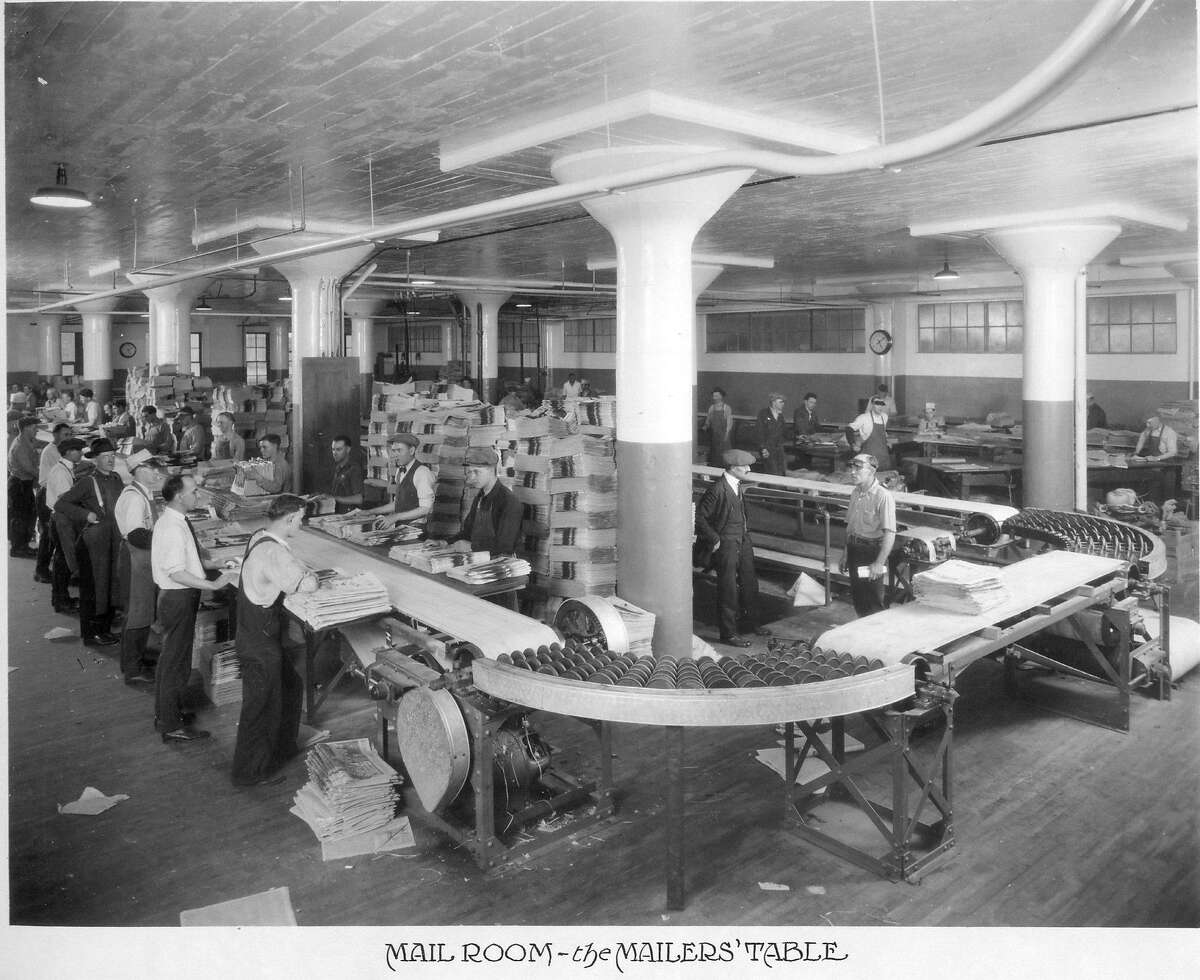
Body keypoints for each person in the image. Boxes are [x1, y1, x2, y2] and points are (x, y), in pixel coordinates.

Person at [230, 494, 320, 786]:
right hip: (260, 638)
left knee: (290, 685)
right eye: (301, 518)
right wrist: (312, 576)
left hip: (251, 630)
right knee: (262, 703)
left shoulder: (260, 536)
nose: (302, 522)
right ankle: (249, 773)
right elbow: (303, 584)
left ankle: (282, 748)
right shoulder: (275, 553)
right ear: (291, 518)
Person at [151, 474, 236, 743]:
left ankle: (167, 714)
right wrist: (212, 585)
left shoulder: (176, 520)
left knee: (172, 661)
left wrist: (213, 564)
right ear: (179, 496)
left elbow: (186, 559)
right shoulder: (172, 527)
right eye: (194, 491)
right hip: (178, 597)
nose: (198, 495)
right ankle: (170, 724)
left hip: (177, 597)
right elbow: (176, 572)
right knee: (175, 664)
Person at [53, 438, 126, 647]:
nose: (110, 460)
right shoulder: (87, 481)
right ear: (95, 460)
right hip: (94, 543)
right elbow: (61, 504)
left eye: (113, 456)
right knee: (94, 588)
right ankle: (90, 634)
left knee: (110, 584)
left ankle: (104, 628)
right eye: (105, 457)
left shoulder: (116, 478)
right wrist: (86, 514)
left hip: (112, 539)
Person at [694, 449, 769, 647]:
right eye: (744, 466)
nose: (749, 469)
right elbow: (699, 518)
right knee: (727, 588)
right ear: (733, 468)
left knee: (750, 582)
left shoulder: (736, 485)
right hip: (726, 542)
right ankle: (728, 634)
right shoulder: (718, 489)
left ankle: (753, 623)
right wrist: (714, 539)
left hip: (742, 540)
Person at [114, 456, 165, 685]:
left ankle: (136, 659)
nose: (158, 473)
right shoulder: (134, 498)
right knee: (137, 614)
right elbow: (137, 535)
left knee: (141, 612)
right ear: (137, 470)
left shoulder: (143, 492)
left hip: (141, 559)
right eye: (152, 468)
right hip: (136, 559)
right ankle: (133, 669)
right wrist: (167, 537)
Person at [839, 453, 897, 618]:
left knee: (873, 604)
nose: (852, 472)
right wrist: (846, 553)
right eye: (852, 467)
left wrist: (879, 563)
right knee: (859, 599)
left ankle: (877, 640)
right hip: (854, 549)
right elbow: (851, 527)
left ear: (871, 471)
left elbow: (890, 533)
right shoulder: (855, 493)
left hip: (872, 553)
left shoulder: (883, 496)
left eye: (858, 468)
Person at [449, 446, 523, 555]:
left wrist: (471, 546)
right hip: (479, 558)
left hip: (501, 564)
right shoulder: (479, 497)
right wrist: (445, 542)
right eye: (469, 472)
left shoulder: (509, 501)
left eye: (476, 472)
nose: (471, 478)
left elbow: (505, 546)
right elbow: (467, 533)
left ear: (491, 470)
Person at [45, 438, 86, 614]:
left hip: (62, 518)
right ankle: (60, 600)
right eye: (78, 450)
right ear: (69, 452)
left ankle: (60, 597)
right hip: (61, 519)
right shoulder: (61, 472)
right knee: (63, 561)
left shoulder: (65, 468)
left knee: (62, 559)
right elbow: (65, 500)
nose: (81, 453)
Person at [363, 431, 433, 528]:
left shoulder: (422, 472)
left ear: (412, 451)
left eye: (399, 450)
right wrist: (371, 511)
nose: (395, 455)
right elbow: (398, 503)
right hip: (401, 527)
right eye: (394, 451)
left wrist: (396, 517)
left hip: (417, 530)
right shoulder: (399, 471)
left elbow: (426, 508)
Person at [35, 422, 74, 582]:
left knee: (51, 536)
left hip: (52, 492)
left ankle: (45, 569)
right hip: (46, 494)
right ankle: (41, 570)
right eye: (66, 435)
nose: (69, 438)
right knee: (48, 535)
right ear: (55, 435)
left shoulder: (59, 449)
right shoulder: (52, 451)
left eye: (70, 434)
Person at [8, 415, 41, 558]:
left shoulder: (26, 440)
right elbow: (30, 469)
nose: (37, 430)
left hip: (24, 483)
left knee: (27, 515)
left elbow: (37, 444)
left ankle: (23, 545)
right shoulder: (20, 446)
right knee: (20, 517)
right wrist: (47, 476)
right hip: (19, 485)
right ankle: (18, 548)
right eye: (35, 428)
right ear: (26, 428)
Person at [315, 434, 364, 514]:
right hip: (337, 514)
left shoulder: (354, 469)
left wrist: (333, 498)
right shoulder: (338, 468)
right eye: (333, 449)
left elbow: (359, 499)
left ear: (348, 449)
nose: (335, 453)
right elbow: (338, 493)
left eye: (339, 449)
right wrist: (323, 496)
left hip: (349, 516)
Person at [848, 395, 892, 470]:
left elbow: (883, 432)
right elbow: (848, 429)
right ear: (871, 405)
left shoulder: (884, 417)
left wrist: (887, 441)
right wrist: (853, 444)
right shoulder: (864, 418)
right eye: (877, 404)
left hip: (883, 456)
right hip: (869, 456)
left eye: (881, 404)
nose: (880, 407)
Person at [755, 392, 787, 476]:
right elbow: (759, 432)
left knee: (782, 473)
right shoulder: (763, 414)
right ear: (773, 402)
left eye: (783, 402)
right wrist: (763, 448)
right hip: (767, 449)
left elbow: (784, 432)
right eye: (781, 402)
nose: (783, 404)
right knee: (772, 473)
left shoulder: (781, 416)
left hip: (779, 449)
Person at [702, 387, 734, 467]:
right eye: (713, 396)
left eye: (716, 396)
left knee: (725, 456)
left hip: (724, 436)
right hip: (714, 436)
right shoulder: (711, 408)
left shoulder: (726, 408)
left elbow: (729, 423)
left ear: (721, 396)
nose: (714, 398)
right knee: (715, 456)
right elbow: (708, 421)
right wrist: (705, 427)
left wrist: (726, 435)